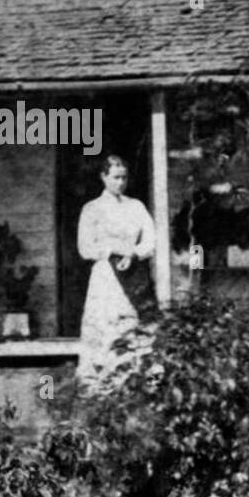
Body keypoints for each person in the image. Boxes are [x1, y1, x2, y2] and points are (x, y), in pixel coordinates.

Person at [76, 154, 156, 391]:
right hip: (106, 278)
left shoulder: (136, 206)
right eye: (115, 177)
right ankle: (102, 386)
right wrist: (112, 249)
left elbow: (151, 241)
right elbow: (85, 248)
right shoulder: (92, 209)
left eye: (124, 178)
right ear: (103, 177)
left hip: (133, 274)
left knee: (134, 325)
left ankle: (133, 382)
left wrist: (132, 253)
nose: (120, 183)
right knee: (105, 326)